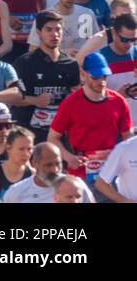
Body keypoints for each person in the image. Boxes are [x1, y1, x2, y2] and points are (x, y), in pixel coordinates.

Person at [48, 51, 132, 184]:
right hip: (81, 173)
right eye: (96, 77)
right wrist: (68, 157)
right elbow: (52, 138)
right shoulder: (70, 103)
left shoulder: (118, 101)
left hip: (112, 171)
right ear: (83, 74)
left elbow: (128, 138)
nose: (102, 81)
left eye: (105, 76)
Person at [10, 11, 81, 143]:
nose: (54, 34)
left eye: (58, 29)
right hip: (29, 135)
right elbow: (12, 97)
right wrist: (34, 100)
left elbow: (77, 97)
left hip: (59, 136)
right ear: (38, 32)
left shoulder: (71, 64)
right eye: (49, 30)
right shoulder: (24, 63)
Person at [4, 142, 94, 203]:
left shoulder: (76, 185)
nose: (55, 170)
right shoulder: (16, 192)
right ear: (34, 164)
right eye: (48, 165)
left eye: (58, 164)